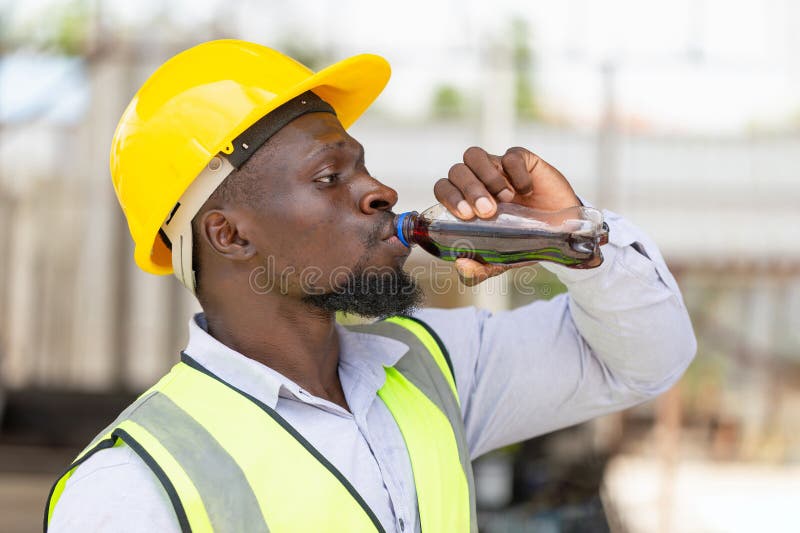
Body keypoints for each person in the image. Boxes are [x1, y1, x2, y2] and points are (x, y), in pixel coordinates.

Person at [44, 40, 695, 532]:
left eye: (361, 164)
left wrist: (572, 235)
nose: (380, 191)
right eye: (330, 176)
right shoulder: (131, 487)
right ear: (229, 234)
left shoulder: (431, 367)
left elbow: (643, 359)